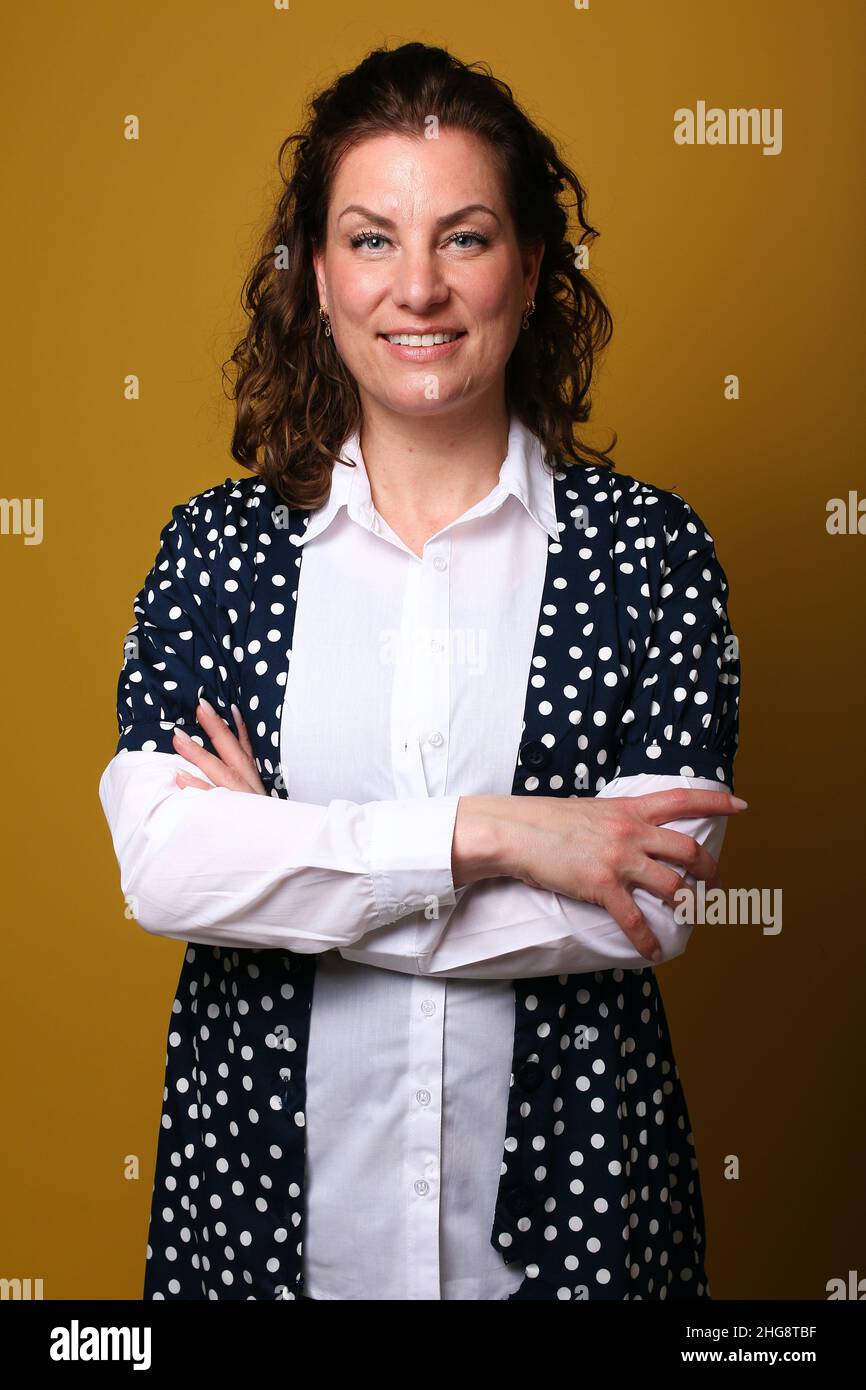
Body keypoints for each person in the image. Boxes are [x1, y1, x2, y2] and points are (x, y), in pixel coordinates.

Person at [98, 41, 744, 1302]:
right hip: (259, 1232)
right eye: (373, 238)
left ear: (531, 269)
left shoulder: (649, 553)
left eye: (463, 237)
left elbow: (648, 902)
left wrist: (287, 863)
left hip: (578, 1237)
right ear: (317, 276)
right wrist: (496, 836)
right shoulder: (218, 550)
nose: (421, 290)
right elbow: (167, 868)